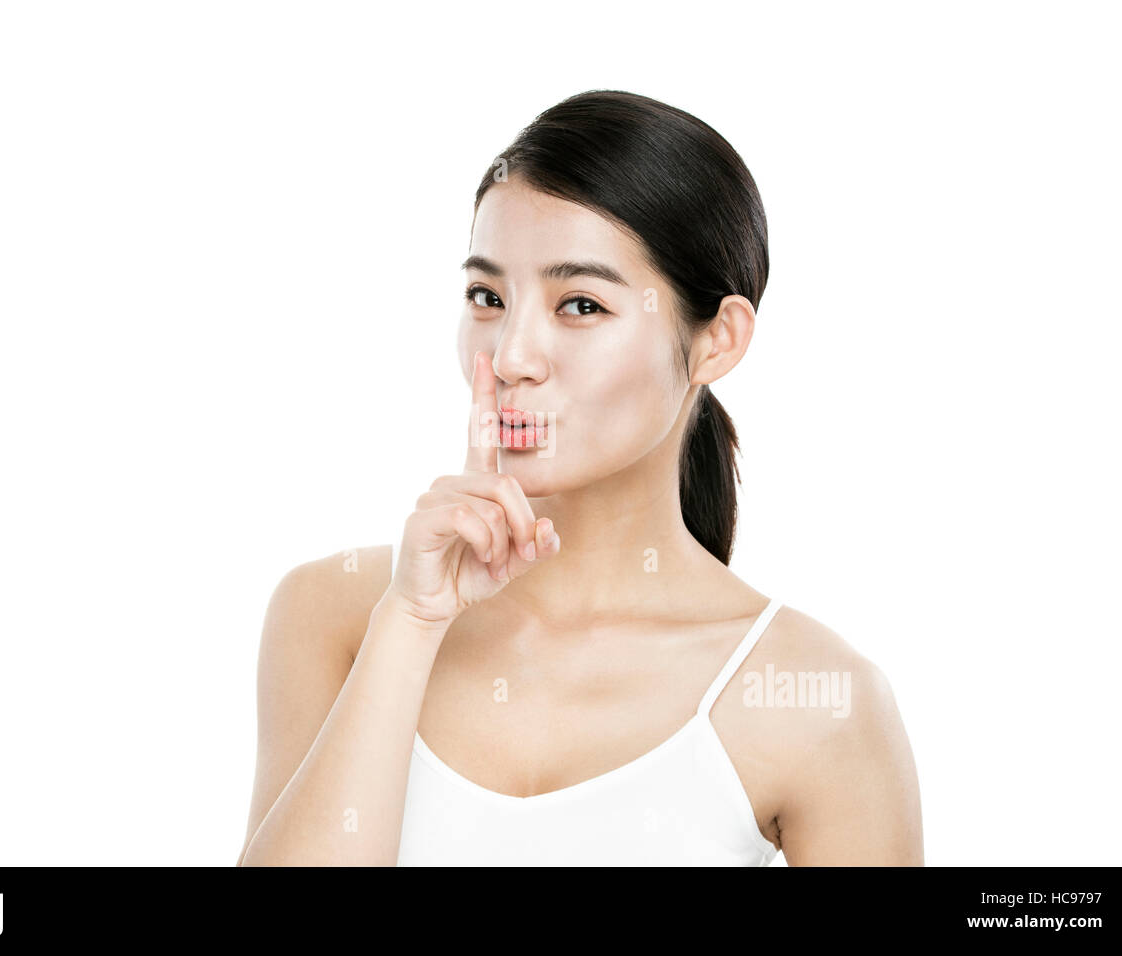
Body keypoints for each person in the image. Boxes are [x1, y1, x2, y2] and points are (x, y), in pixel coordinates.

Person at [238, 90, 923, 866]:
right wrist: (412, 623)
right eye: (488, 297)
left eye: (581, 305)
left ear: (717, 343)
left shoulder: (819, 700)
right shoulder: (335, 617)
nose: (512, 355)